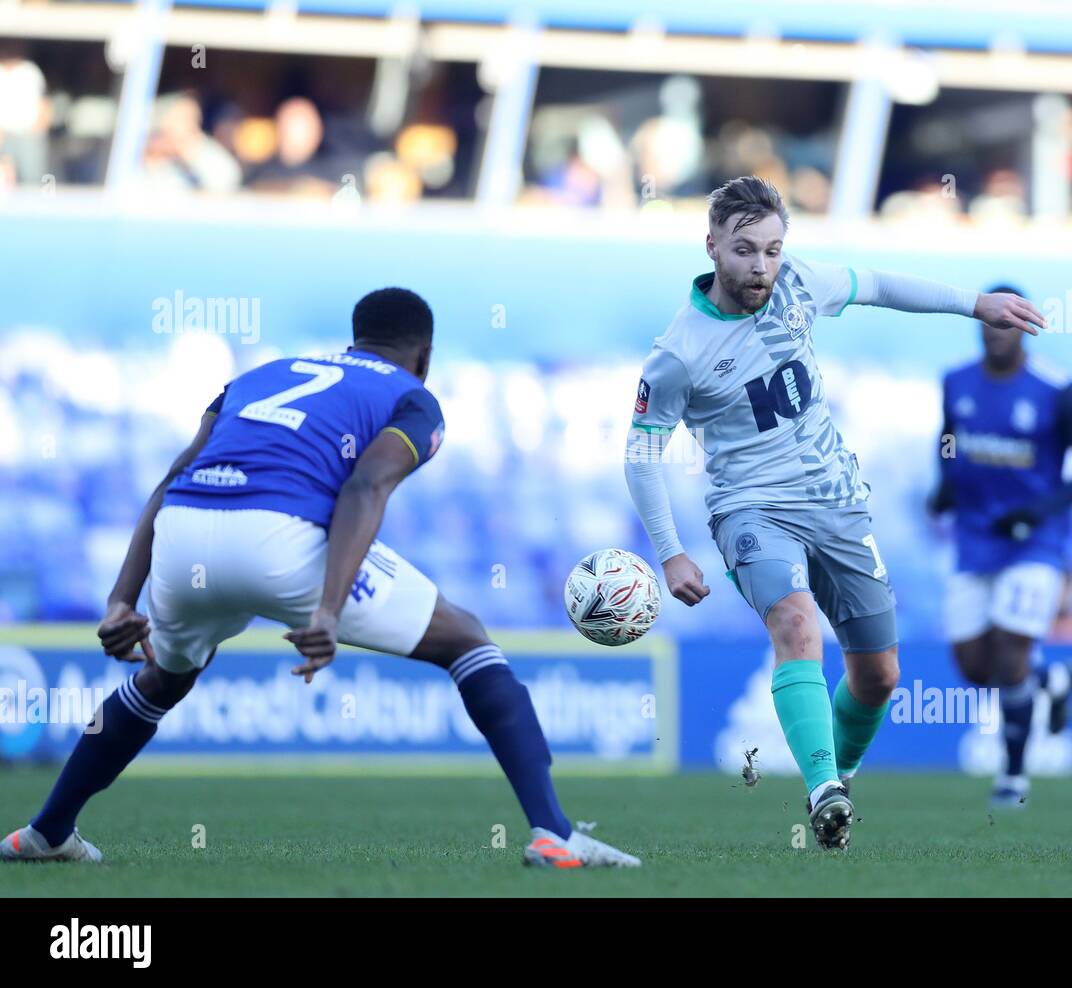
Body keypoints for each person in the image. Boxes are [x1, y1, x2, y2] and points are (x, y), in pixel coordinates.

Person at [3, 288, 638, 869]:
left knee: (164, 679)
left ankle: (47, 831)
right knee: (467, 639)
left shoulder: (254, 378)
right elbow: (365, 486)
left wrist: (121, 599)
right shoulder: (411, 396)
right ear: (424, 355)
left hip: (184, 531)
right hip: (280, 538)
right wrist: (327, 612)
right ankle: (553, 832)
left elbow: (171, 479)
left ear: (353, 338)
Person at [623, 176, 1042, 849]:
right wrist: (669, 549)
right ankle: (823, 789)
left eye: (771, 250)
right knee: (795, 624)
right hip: (751, 509)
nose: (760, 266)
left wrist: (976, 306)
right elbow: (642, 454)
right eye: (744, 250)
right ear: (711, 248)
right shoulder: (677, 353)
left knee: (878, 679)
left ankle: (835, 779)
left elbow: (877, 284)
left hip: (838, 504)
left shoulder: (798, 285)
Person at [927, 284, 1072, 807]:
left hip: (1036, 543)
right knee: (973, 668)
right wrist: (943, 485)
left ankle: (1012, 779)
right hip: (974, 540)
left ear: (1028, 326)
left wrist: (1043, 510)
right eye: (991, 320)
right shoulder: (956, 382)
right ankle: (1050, 682)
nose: (997, 331)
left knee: (1011, 650)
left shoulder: (1055, 388)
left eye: (1010, 322)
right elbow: (948, 441)